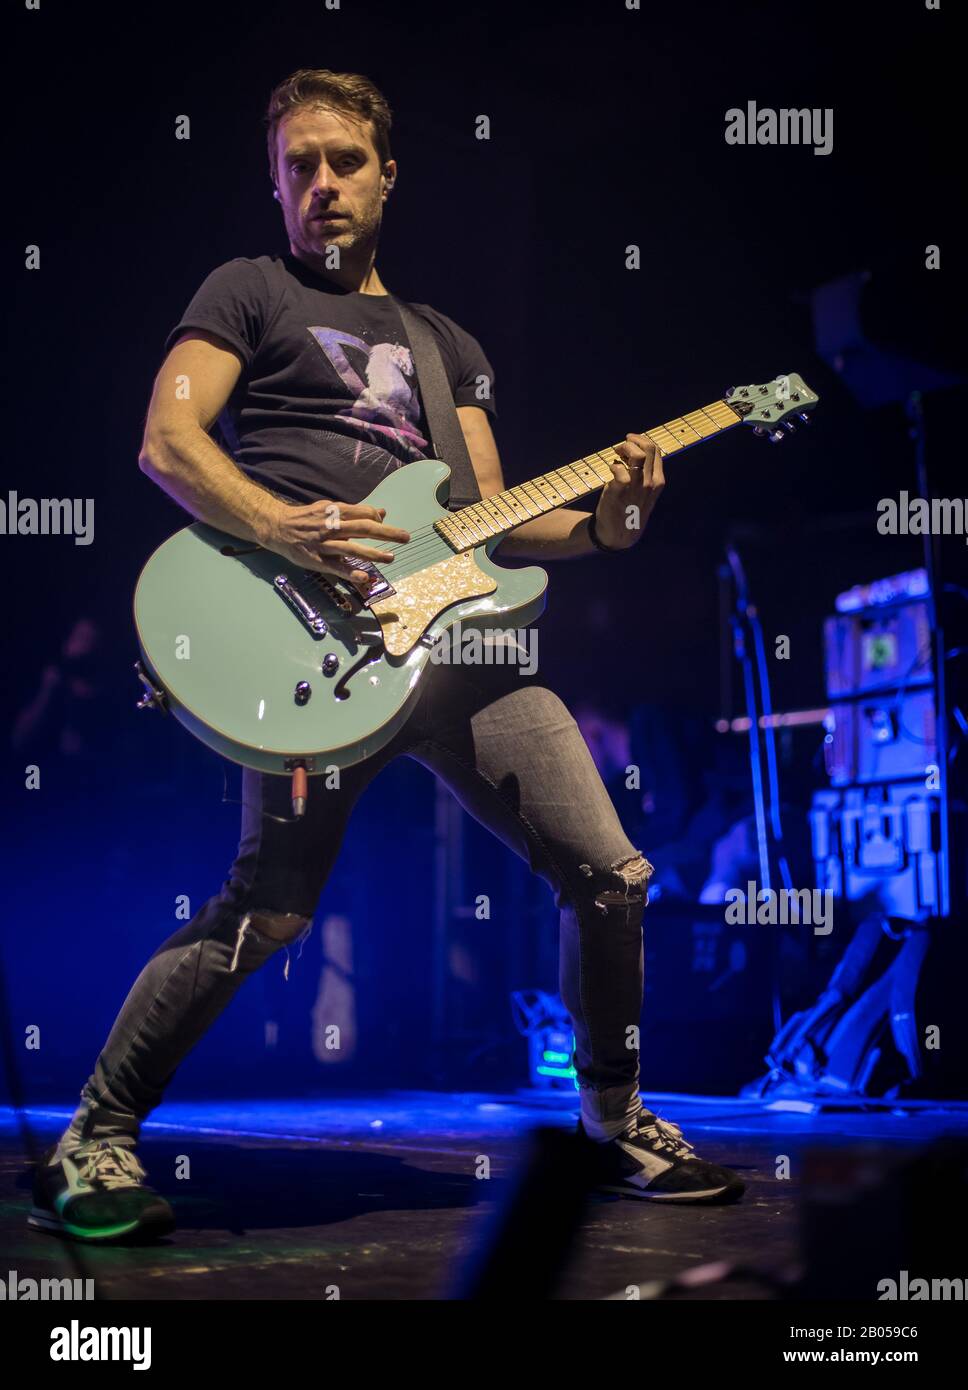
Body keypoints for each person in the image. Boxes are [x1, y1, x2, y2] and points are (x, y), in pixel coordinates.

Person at [30, 68, 744, 1244]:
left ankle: (612, 1119)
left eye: (343, 162)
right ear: (272, 184)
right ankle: (97, 1130)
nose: (321, 185)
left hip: (459, 652)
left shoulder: (442, 340)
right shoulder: (246, 291)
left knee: (610, 875)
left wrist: (615, 518)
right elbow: (168, 439)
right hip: (310, 636)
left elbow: (499, 519)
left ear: (387, 174)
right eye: (297, 166)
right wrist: (280, 524)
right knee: (266, 914)